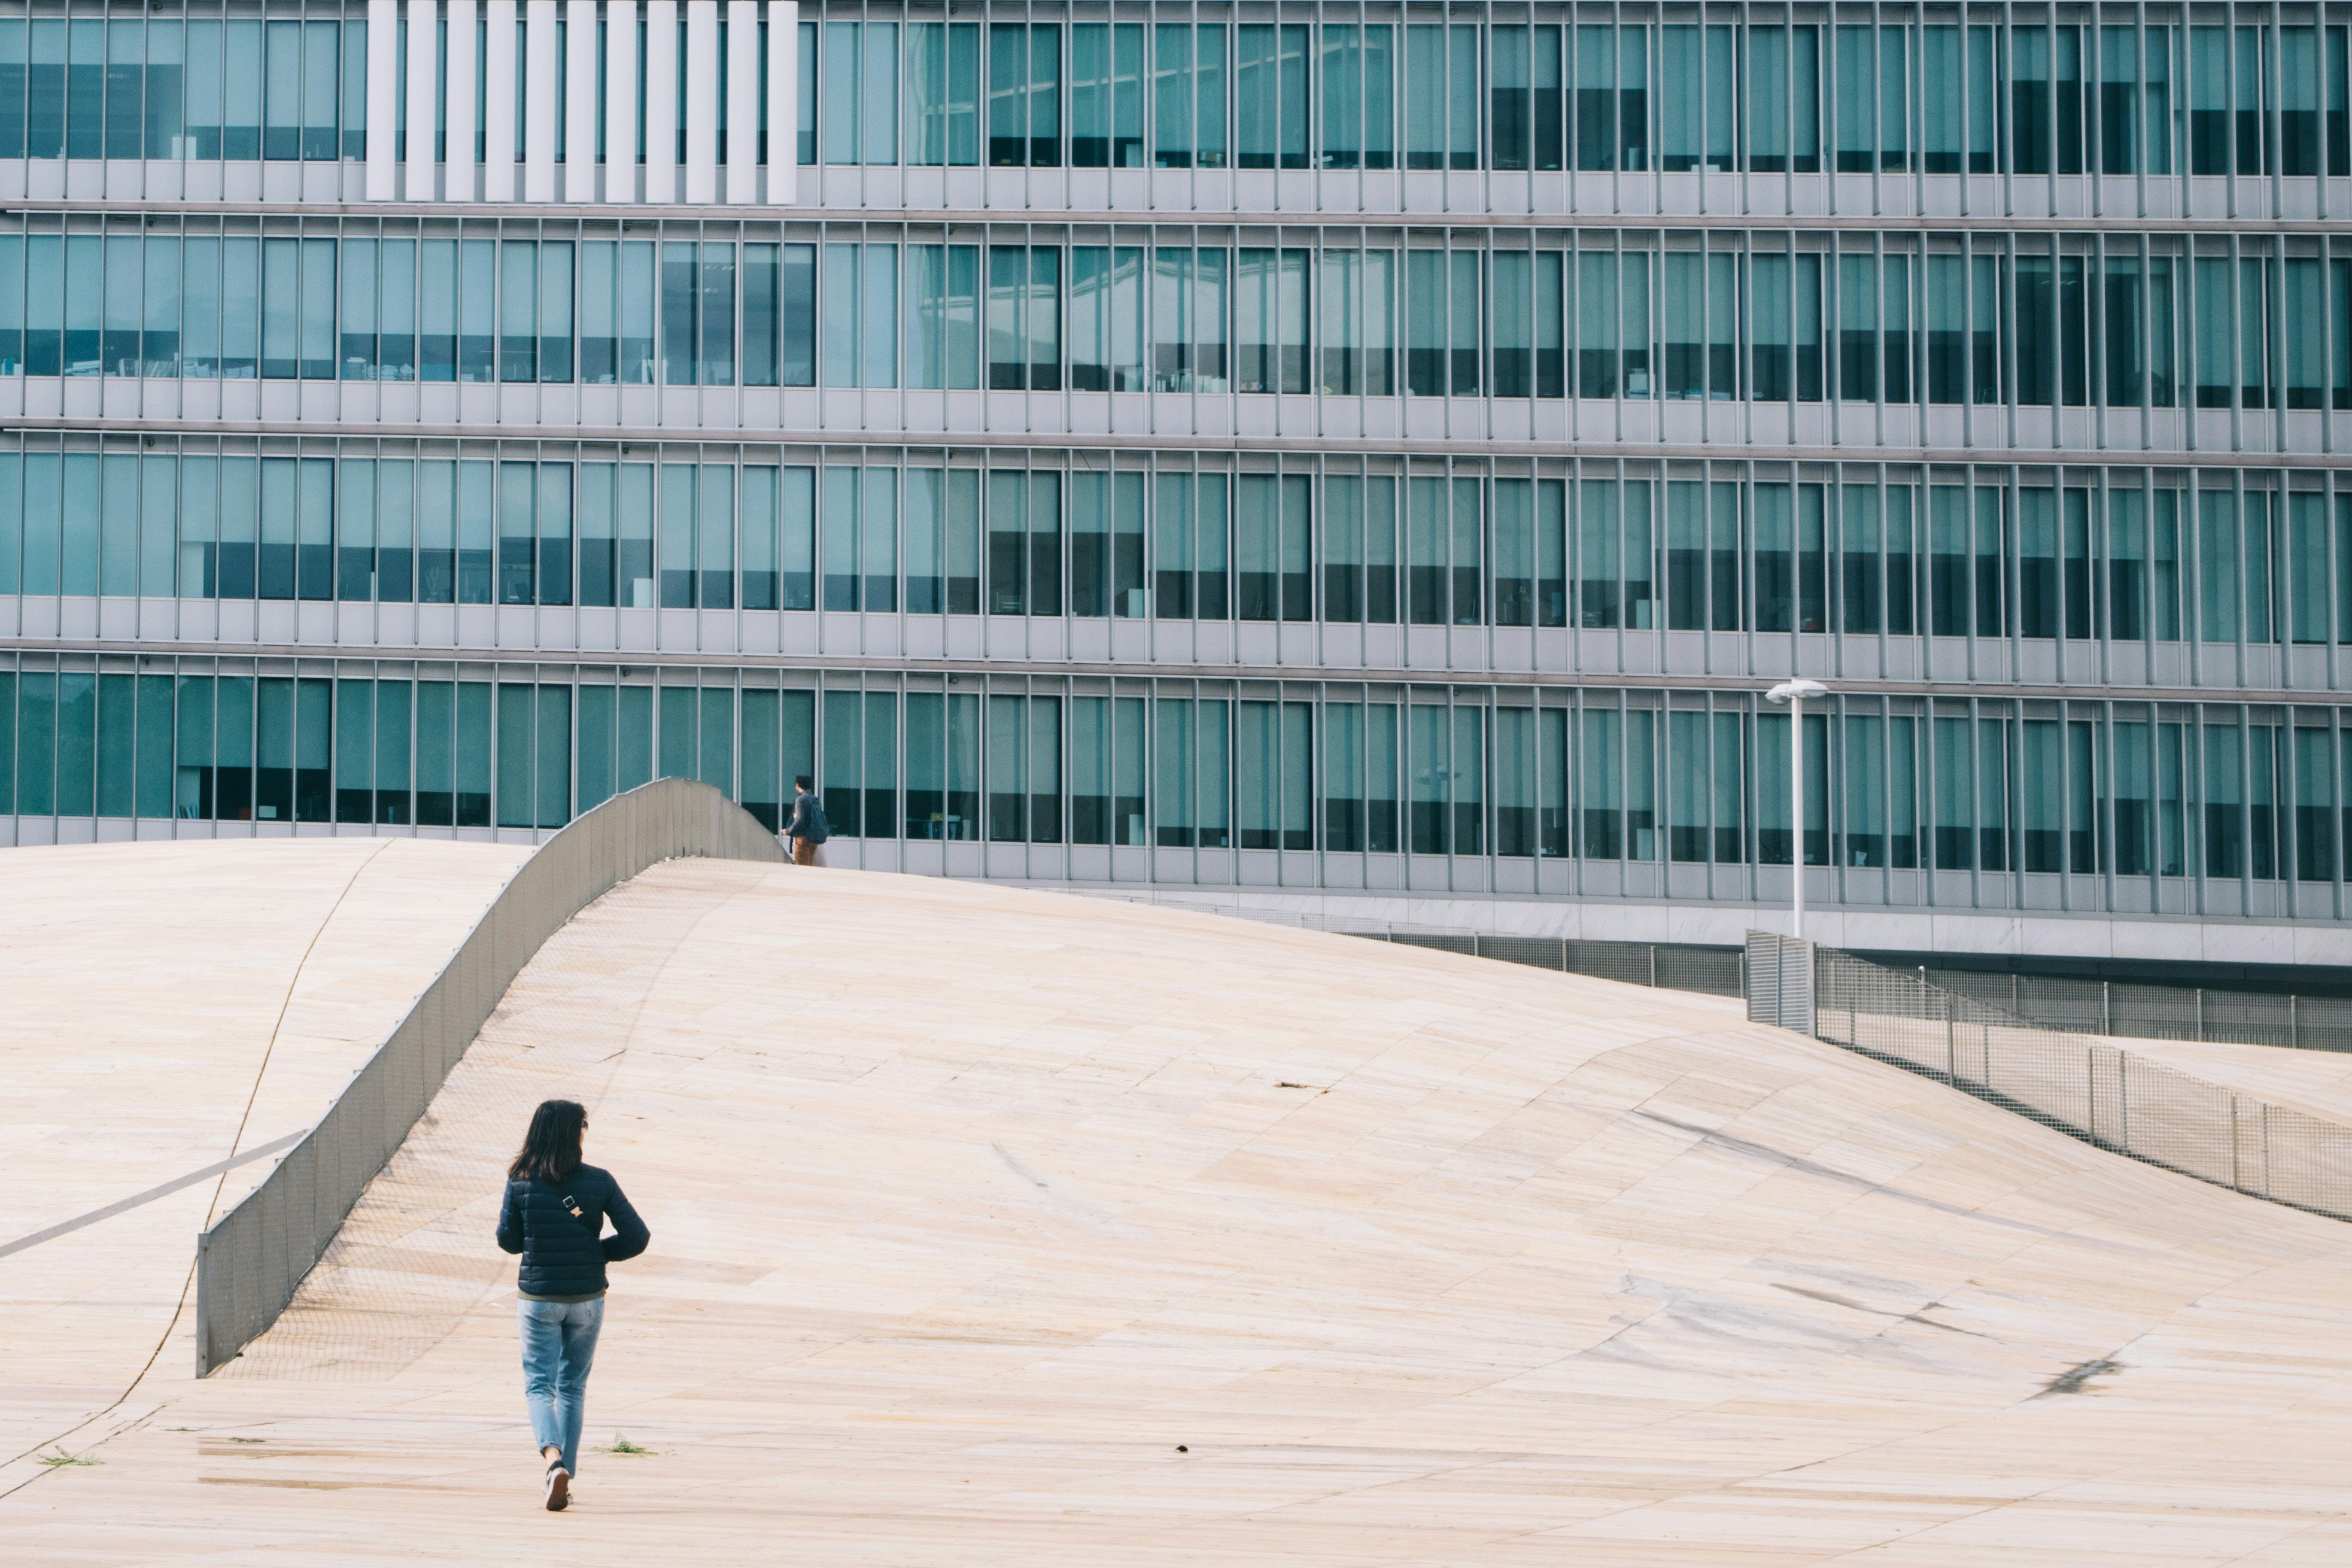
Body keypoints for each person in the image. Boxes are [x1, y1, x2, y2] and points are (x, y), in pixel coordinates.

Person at [495, 1098, 649, 1512]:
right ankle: (565, 1478)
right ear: (575, 1132)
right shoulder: (600, 1181)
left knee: (539, 1386)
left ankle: (553, 1463)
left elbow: (508, 1242)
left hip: (539, 1298)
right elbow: (637, 1236)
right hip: (587, 1299)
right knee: (573, 1388)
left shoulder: (521, 1180)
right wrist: (598, 1254)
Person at [782, 773, 828, 867]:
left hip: (802, 840)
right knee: (809, 868)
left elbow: (799, 820)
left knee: (801, 869)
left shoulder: (801, 799)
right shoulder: (814, 799)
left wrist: (788, 831)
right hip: (812, 839)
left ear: (797, 785)